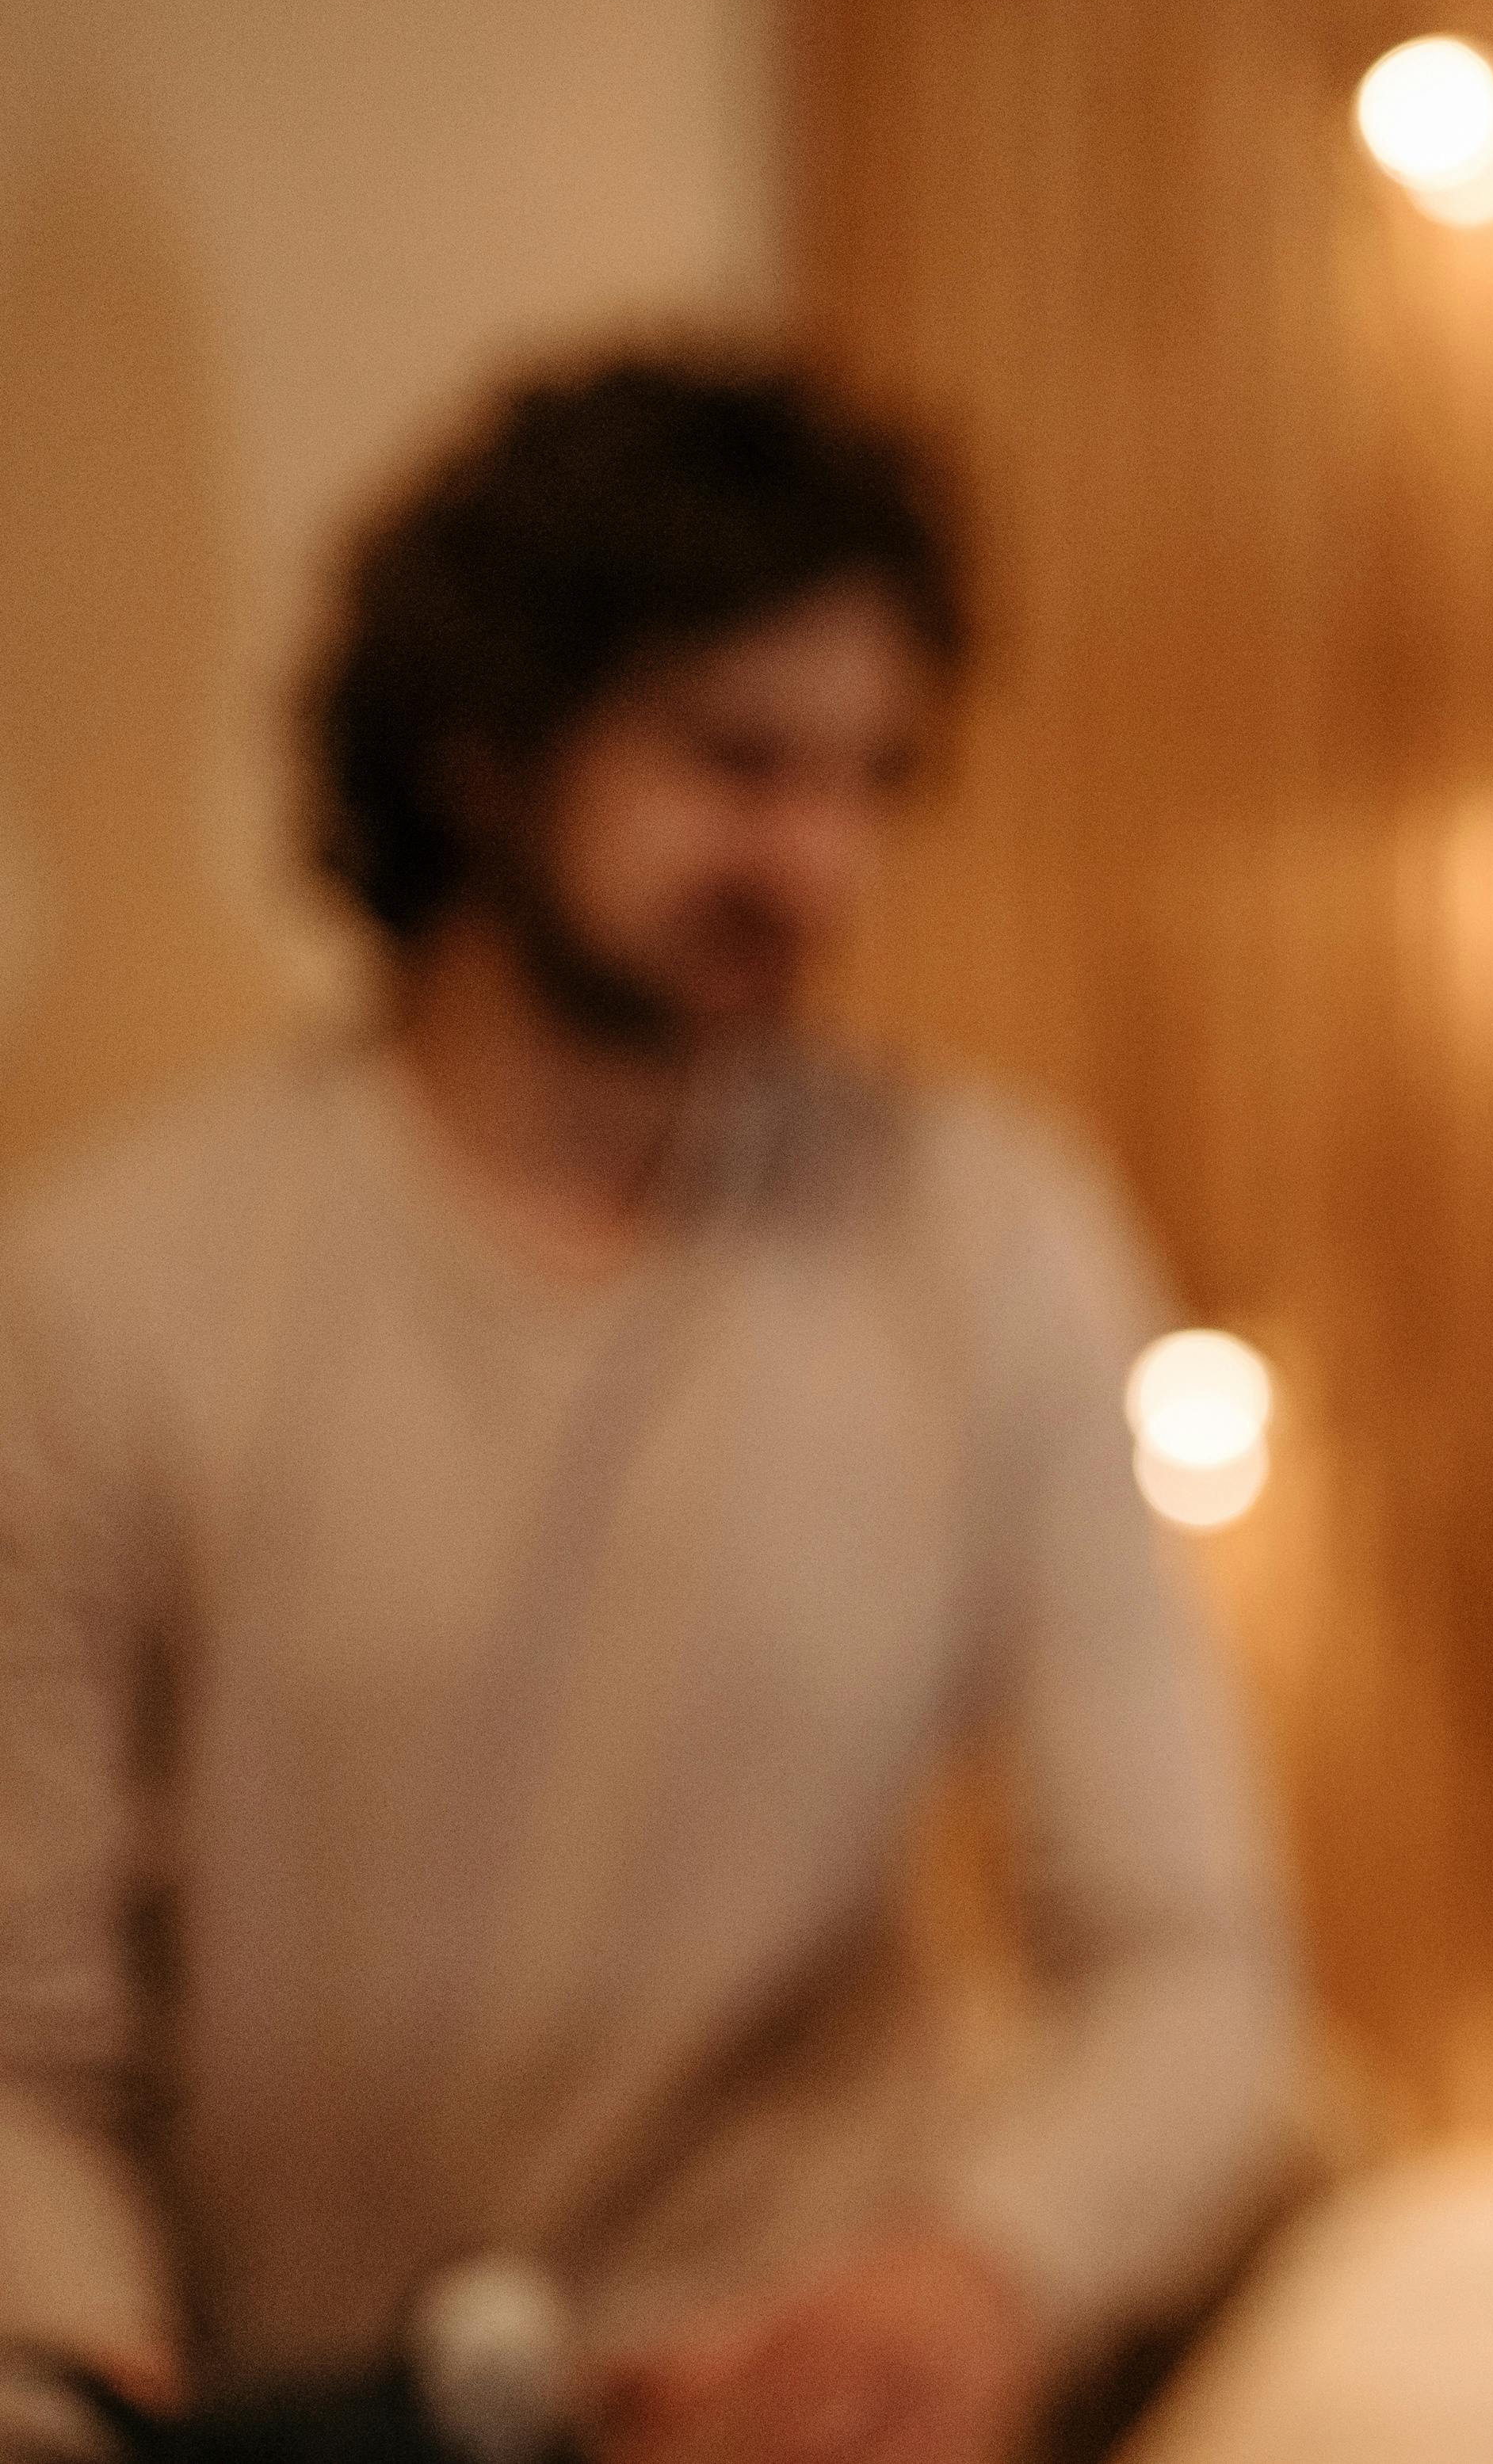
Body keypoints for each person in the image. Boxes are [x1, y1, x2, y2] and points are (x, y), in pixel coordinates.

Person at [0, 353, 1297, 2462]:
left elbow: (1189, 1969)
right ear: (486, 746)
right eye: (737, 759)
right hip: (287, 2412)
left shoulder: (986, 1234)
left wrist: (985, 2269)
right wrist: (76, 2381)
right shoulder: (101, 1300)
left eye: (873, 778)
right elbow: (18, 2058)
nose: (818, 857)